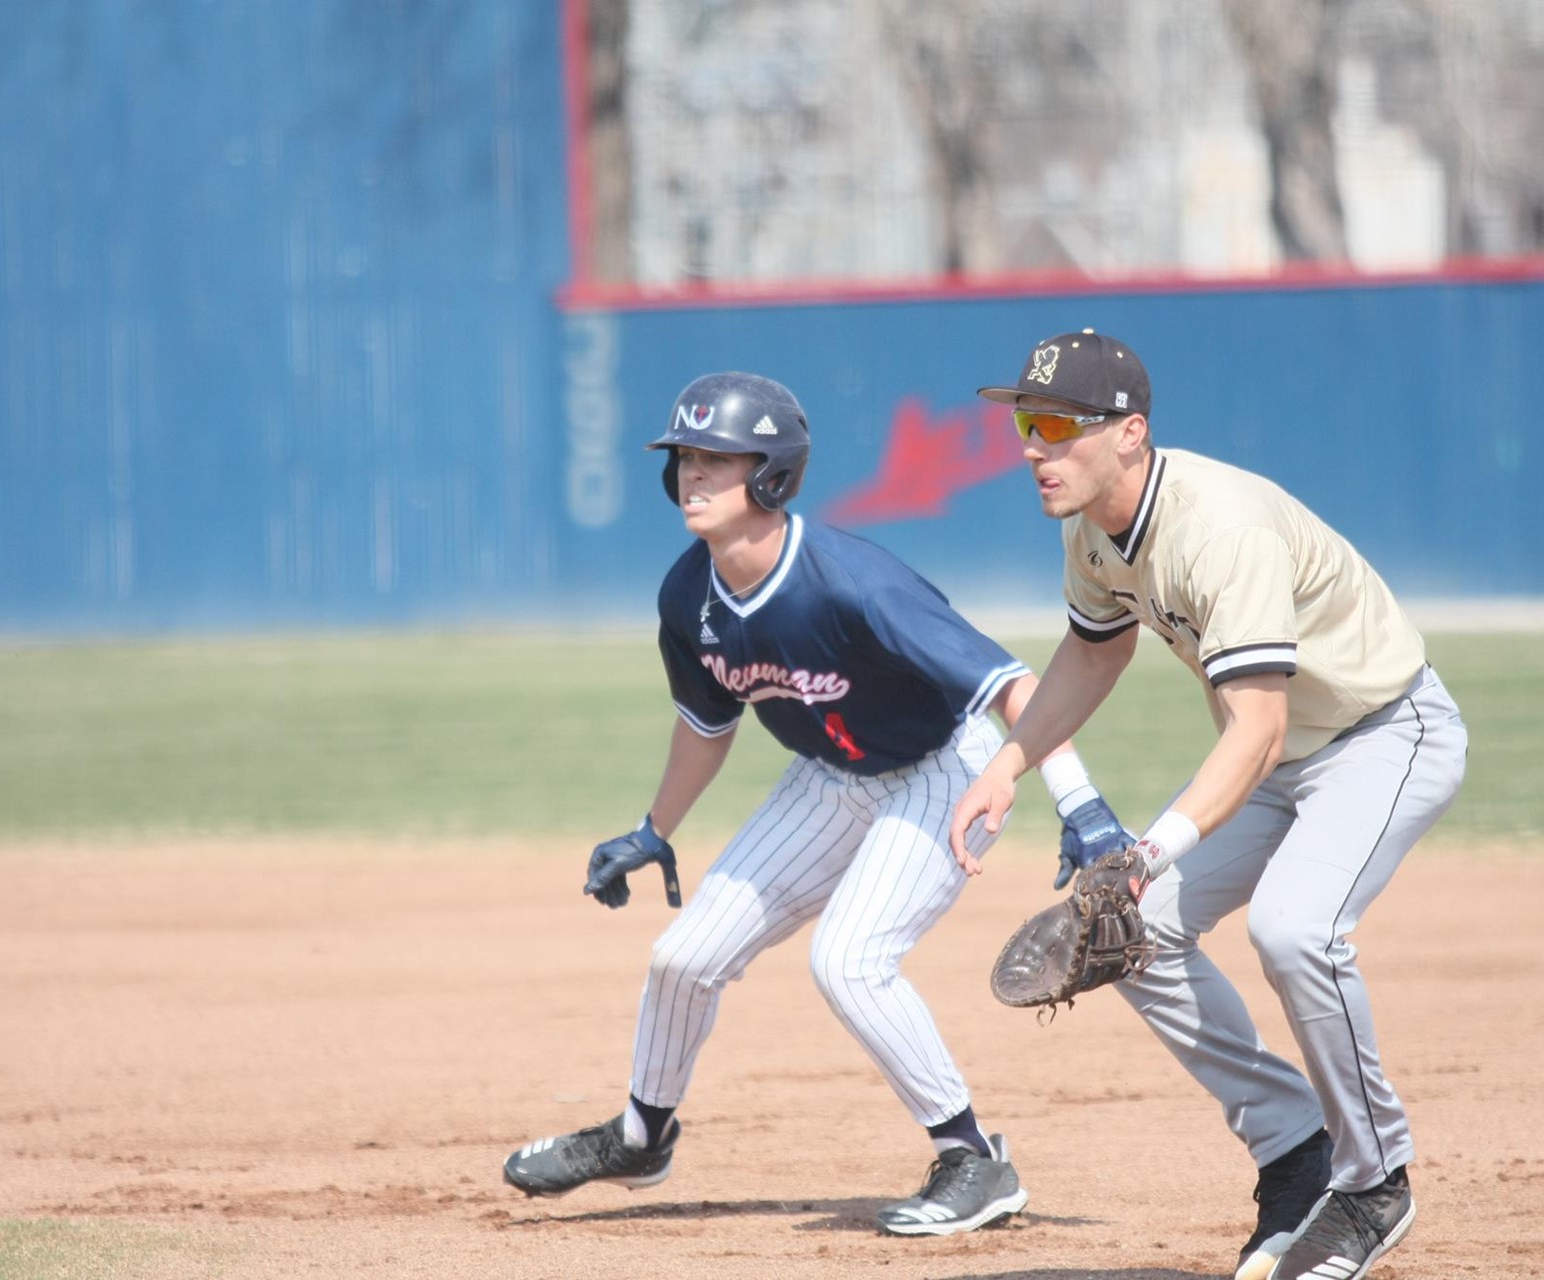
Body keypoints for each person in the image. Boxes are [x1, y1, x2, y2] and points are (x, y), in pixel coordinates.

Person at [501, 371, 1133, 1236]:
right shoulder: (687, 595)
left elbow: (1013, 685)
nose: (694, 475)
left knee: (850, 958)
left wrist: (1080, 802)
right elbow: (706, 720)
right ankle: (643, 1137)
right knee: (683, 955)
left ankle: (974, 1159)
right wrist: (654, 831)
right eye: (685, 457)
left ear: (770, 474)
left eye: (718, 460)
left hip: (942, 766)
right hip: (830, 781)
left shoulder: (851, 582)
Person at [951, 330, 1468, 1280]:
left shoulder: (1218, 527)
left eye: (1059, 424)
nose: (1033, 445)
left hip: (1386, 734)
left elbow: (1258, 730)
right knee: (1131, 929)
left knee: (1294, 930)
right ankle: (1295, 1148)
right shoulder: (1092, 526)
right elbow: (1095, 650)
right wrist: (1009, 763)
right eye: (1027, 421)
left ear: (1130, 434)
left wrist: (1149, 847)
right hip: (1284, 756)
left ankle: (1374, 1180)